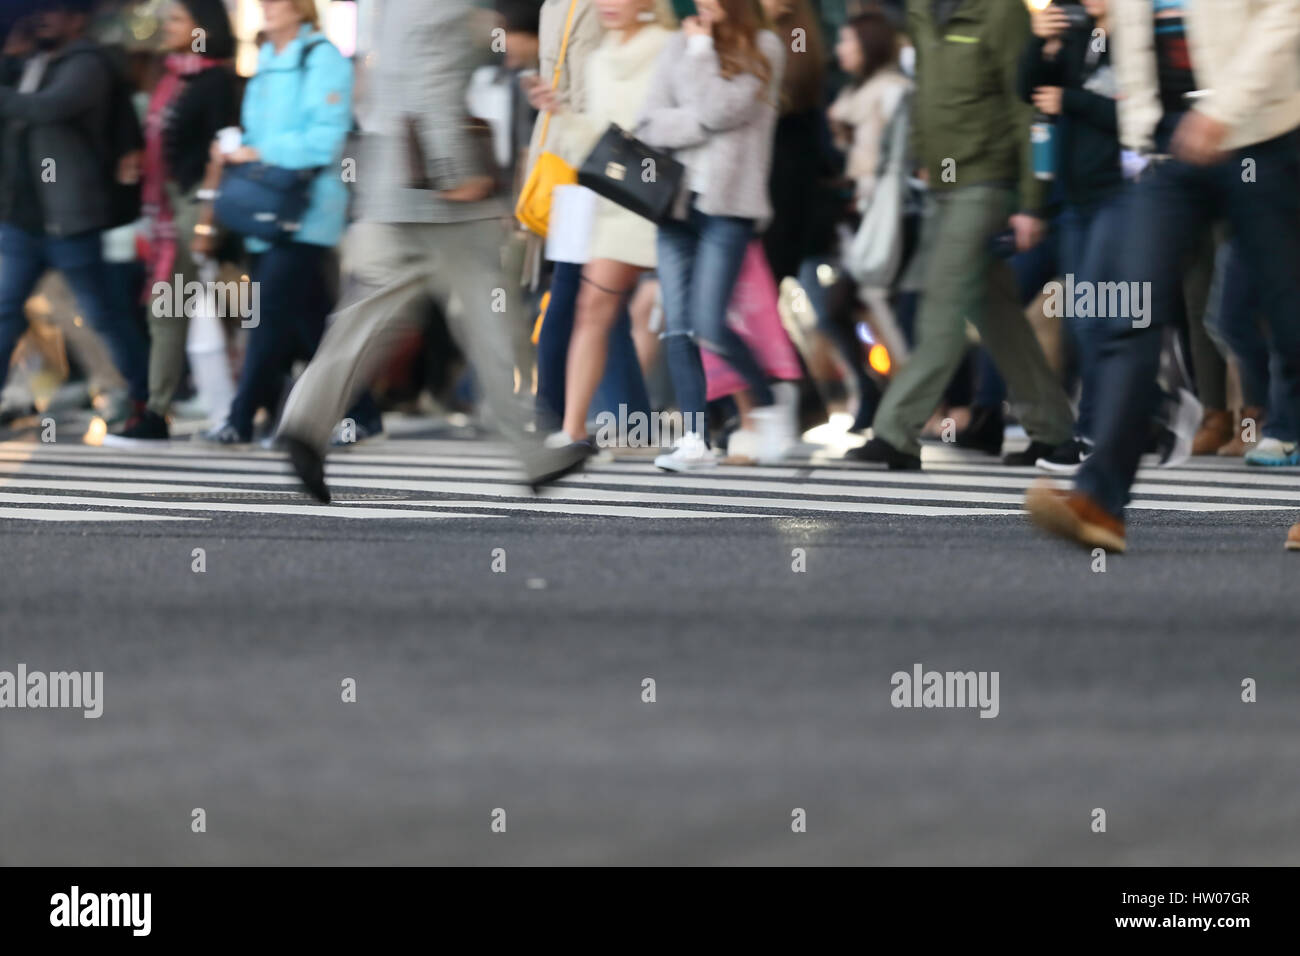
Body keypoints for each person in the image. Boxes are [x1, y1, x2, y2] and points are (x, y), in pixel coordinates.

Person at [276, 0, 588, 501]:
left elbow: (408, 70)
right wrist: (453, 170)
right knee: (491, 318)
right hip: (438, 194)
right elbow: (432, 79)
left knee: (371, 311)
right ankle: (532, 448)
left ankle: (305, 421)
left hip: (392, 181)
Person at [1026, 0, 1300, 553]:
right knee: (1127, 308)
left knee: (1288, 316)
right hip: (1169, 144)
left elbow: (1286, 12)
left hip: (1263, 132)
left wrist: (1225, 108)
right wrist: (1139, 139)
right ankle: (1100, 501)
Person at [195, 0, 359, 446]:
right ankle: (361, 412)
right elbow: (258, 131)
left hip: (307, 207)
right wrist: (237, 148)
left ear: (300, 7)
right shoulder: (266, 57)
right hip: (268, 205)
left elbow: (327, 136)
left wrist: (259, 152)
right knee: (309, 321)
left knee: (267, 313)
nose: (266, 6)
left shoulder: (321, 57)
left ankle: (240, 419)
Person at [637, 0, 787, 471]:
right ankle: (694, 440)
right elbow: (648, 123)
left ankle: (768, 403)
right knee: (678, 326)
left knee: (708, 323)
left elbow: (722, 109)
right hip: (675, 205)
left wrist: (701, 55)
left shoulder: (763, 46)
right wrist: (697, 120)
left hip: (729, 207)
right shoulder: (677, 44)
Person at [527, 0, 675, 452]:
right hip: (603, 193)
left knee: (693, 316)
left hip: (659, 192)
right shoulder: (597, 51)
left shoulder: (668, 48)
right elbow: (593, 129)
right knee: (590, 305)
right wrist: (559, 113)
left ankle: (745, 412)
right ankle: (572, 426)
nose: (608, 5)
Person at [0, 0, 150, 427]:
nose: (43, 17)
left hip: (70, 218)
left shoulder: (87, 64)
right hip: (22, 220)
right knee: (5, 311)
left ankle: (140, 399)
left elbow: (48, 107)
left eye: (55, 10)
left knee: (101, 314)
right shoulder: (34, 63)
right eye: (39, 10)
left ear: (78, 19)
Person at [103, 0, 238, 446]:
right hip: (168, 207)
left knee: (176, 310)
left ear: (203, 28)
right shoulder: (172, 77)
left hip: (196, 204)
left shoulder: (214, 80)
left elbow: (222, 150)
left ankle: (160, 413)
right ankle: (167, 410)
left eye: (178, 18)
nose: (167, 25)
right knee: (179, 310)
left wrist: (205, 219)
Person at [1015, 0, 1121, 471]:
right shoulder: (1080, 34)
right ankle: (1141, 415)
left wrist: (1071, 100)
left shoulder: (1134, 39)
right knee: (1082, 318)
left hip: (1120, 194)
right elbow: (1028, 90)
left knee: (1102, 314)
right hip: (1076, 199)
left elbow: (1135, 116)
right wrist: (1041, 43)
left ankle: (1097, 434)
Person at [823, 8, 910, 434]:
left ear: (869, 46)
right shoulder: (852, 92)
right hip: (858, 213)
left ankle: (911, 402)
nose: (840, 49)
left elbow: (899, 155)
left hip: (886, 213)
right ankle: (881, 394)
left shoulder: (893, 90)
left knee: (882, 308)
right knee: (854, 307)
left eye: (848, 42)